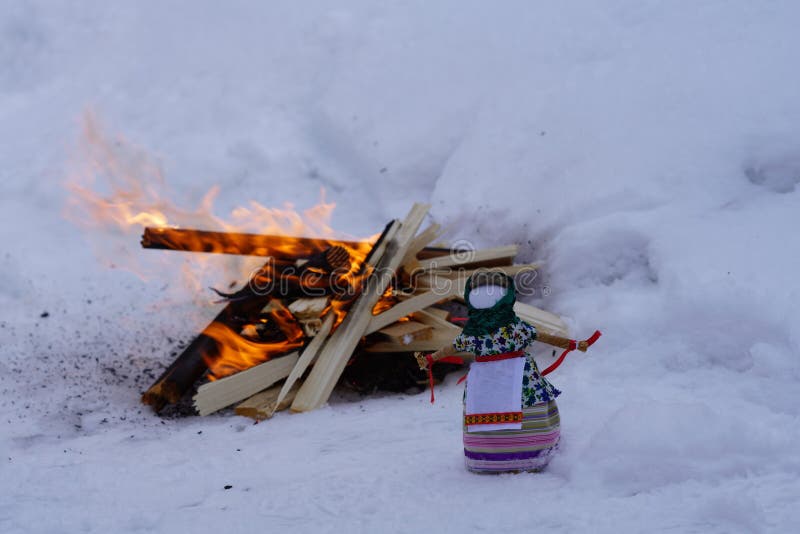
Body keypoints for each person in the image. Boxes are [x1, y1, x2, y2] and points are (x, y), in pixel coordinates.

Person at [422, 271, 588, 473]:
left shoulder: (473, 332)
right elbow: (542, 336)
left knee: (481, 408)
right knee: (527, 404)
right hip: (520, 376)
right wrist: (573, 344)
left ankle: (486, 454)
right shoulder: (513, 328)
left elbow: (450, 348)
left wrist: (431, 358)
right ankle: (532, 450)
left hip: (483, 379)